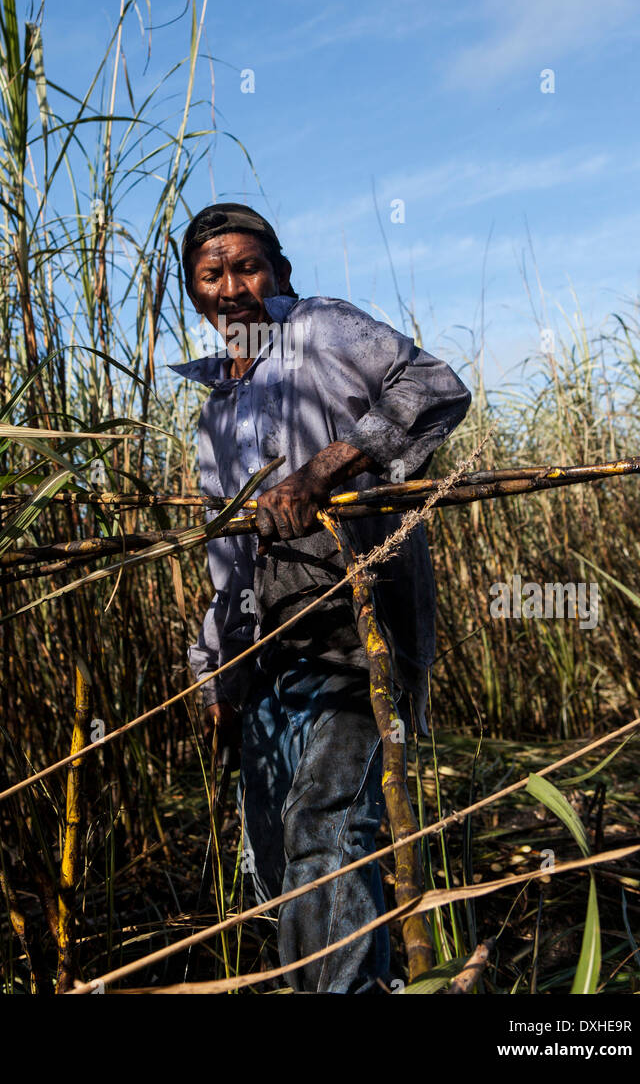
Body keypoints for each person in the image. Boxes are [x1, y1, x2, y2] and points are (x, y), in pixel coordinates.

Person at [169, 202, 471, 993]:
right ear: (194, 295)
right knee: (278, 858)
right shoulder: (215, 410)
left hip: (357, 629)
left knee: (327, 826)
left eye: (248, 267)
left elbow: (435, 385)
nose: (233, 287)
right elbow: (226, 560)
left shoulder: (322, 328)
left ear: (280, 273)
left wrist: (326, 468)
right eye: (212, 274)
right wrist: (220, 675)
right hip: (272, 647)